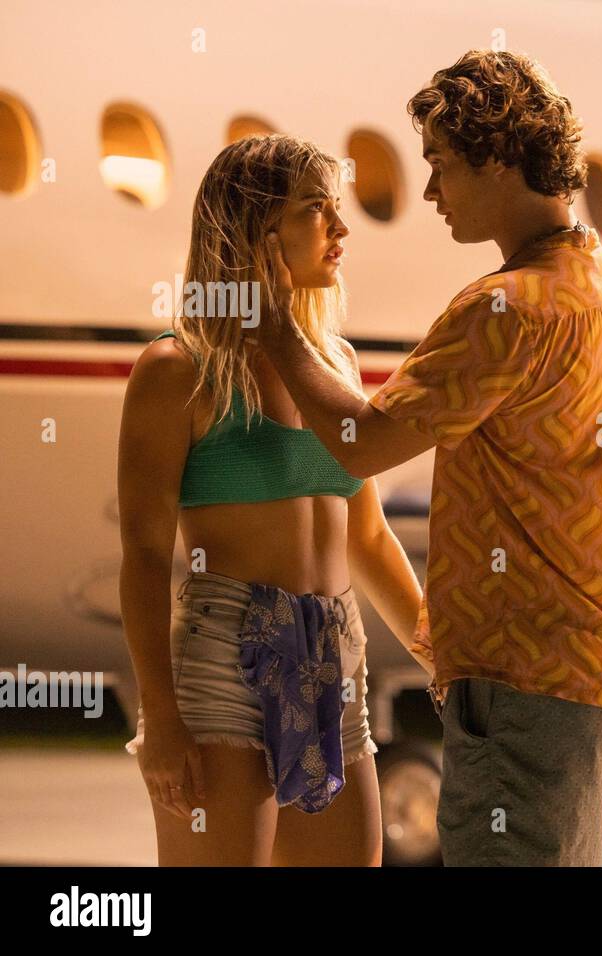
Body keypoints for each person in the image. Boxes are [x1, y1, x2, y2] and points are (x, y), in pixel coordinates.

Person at [254, 50, 602, 866]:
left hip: (527, 689)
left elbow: (362, 442)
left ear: (498, 156)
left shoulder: (503, 308)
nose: (430, 192)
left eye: (443, 164)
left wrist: (276, 329)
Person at [118, 134, 426, 866]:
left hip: (333, 653)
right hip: (227, 650)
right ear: (259, 234)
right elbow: (143, 555)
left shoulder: (335, 364)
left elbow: (371, 538)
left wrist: (437, 651)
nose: (342, 231)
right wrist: (159, 719)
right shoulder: (176, 369)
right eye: (319, 212)